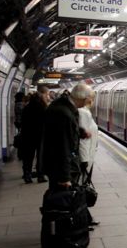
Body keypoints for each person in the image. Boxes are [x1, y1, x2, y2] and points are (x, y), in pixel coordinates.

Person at [41, 85, 89, 191]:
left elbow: (65, 132)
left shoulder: (63, 107)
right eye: (87, 99)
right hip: (59, 169)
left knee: (62, 200)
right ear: (81, 98)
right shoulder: (63, 113)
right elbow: (62, 146)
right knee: (62, 200)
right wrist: (65, 177)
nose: (87, 102)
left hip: (58, 166)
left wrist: (80, 132)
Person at [74, 85, 99, 227]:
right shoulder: (83, 113)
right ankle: (83, 218)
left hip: (88, 156)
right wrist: (84, 161)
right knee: (81, 188)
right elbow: (84, 140)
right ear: (86, 98)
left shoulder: (84, 112)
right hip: (85, 158)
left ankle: (85, 217)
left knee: (81, 188)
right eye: (92, 97)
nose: (93, 100)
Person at [20, 85, 50, 183]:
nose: (48, 97)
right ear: (42, 94)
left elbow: (22, 122)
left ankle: (27, 175)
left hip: (28, 134)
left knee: (28, 156)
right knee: (40, 156)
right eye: (47, 94)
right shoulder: (43, 107)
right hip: (40, 134)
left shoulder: (27, 106)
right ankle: (40, 175)